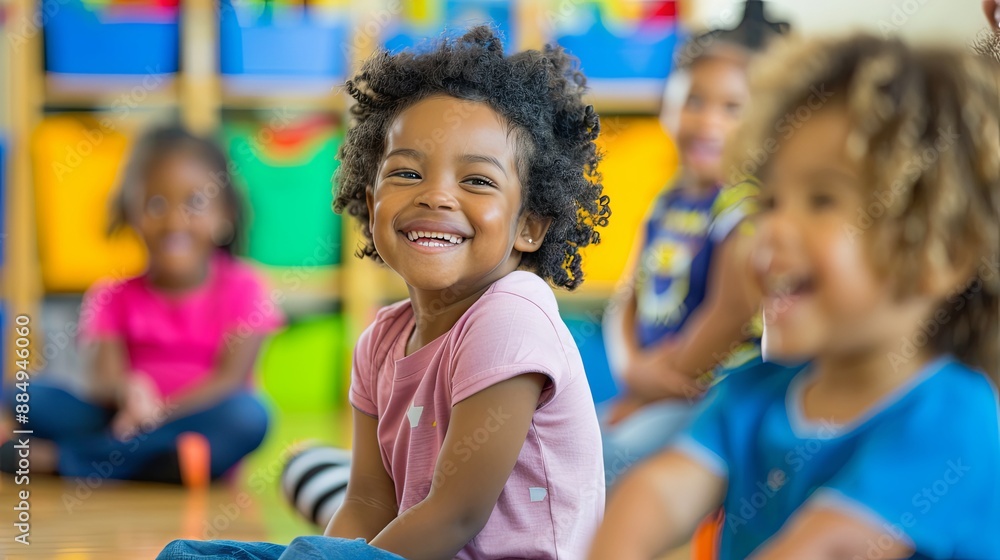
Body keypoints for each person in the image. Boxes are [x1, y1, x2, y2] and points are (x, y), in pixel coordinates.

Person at [159, 25, 609, 560]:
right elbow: (369, 503)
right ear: (371, 205)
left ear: (530, 225)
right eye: (407, 172)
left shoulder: (511, 317)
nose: (436, 195)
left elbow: (456, 514)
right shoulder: (380, 339)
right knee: (188, 556)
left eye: (477, 181)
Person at [589, 34, 1000, 559]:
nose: (772, 230)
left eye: (822, 200)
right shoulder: (751, 394)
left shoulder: (951, 418)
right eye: (771, 200)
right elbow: (658, 493)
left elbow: (826, 546)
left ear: (940, 256)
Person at [1, 127, 281, 483]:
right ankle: (157, 466)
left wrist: (157, 414)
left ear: (224, 214)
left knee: (249, 416)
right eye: (156, 204)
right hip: (122, 419)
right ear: (131, 213)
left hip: (197, 421)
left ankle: (66, 460)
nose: (174, 221)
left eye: (194, 203)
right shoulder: (111, 295)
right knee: (25, 396)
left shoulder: (246, 289)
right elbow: (102, 378)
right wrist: (128, 390)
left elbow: (230, 380)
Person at [600, 23, 786, 485]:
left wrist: (650, 392)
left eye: (731, 108)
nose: (708, 122)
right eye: (694, 101)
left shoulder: (742, 206)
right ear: (667, 108)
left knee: (611, 458)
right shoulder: (668, 199)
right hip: (651, 384)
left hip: (712, 395)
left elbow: (730, 314)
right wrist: (630, 369)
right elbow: (626, 295)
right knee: (567, 439)